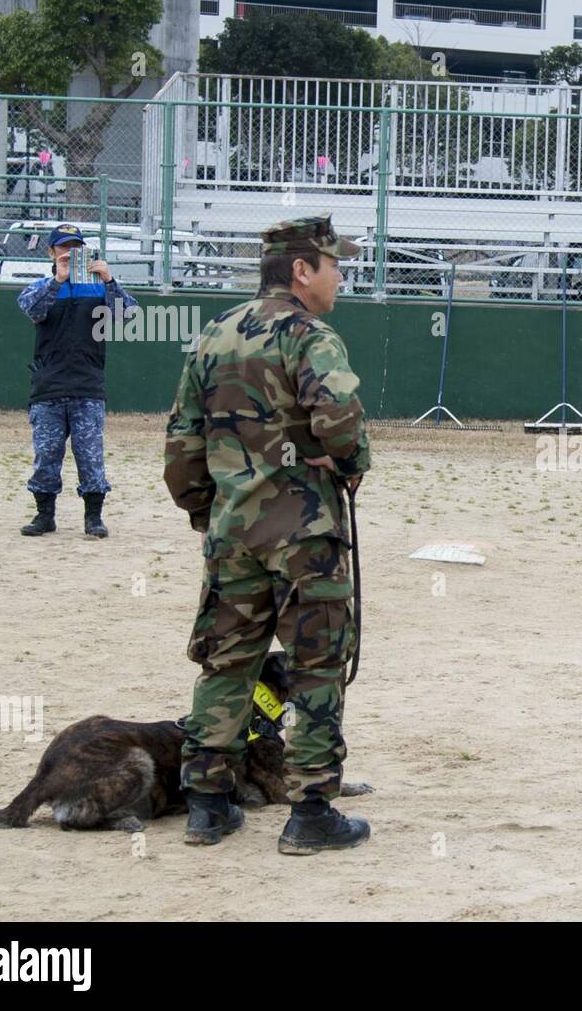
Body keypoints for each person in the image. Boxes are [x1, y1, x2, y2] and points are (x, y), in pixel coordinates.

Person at [164, 213, 371, 854]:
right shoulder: (312, 336)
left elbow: (181, 447)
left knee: (226, 665)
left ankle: (208, 806)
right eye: (335, 265)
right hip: (305, 532)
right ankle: (309, 814)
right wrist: (348, 464)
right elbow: (340, 421)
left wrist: (212, 512)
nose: (342, 277)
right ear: (302, 270)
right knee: (316, 665)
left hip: (232, 534)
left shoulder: (214, 335)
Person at [17, 223, 137, 538]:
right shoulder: (42, 286)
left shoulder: (98, 287)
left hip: (87, 385)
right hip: (48, 386)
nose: (69, 253)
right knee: (46, 455)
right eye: (63, 248)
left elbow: (129, 316)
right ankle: (45, 515)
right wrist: (58, 279)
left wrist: (110, 281)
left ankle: (93, 517)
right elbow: (31, 310)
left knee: (90, 455)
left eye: (75, 247)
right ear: (51, 253)